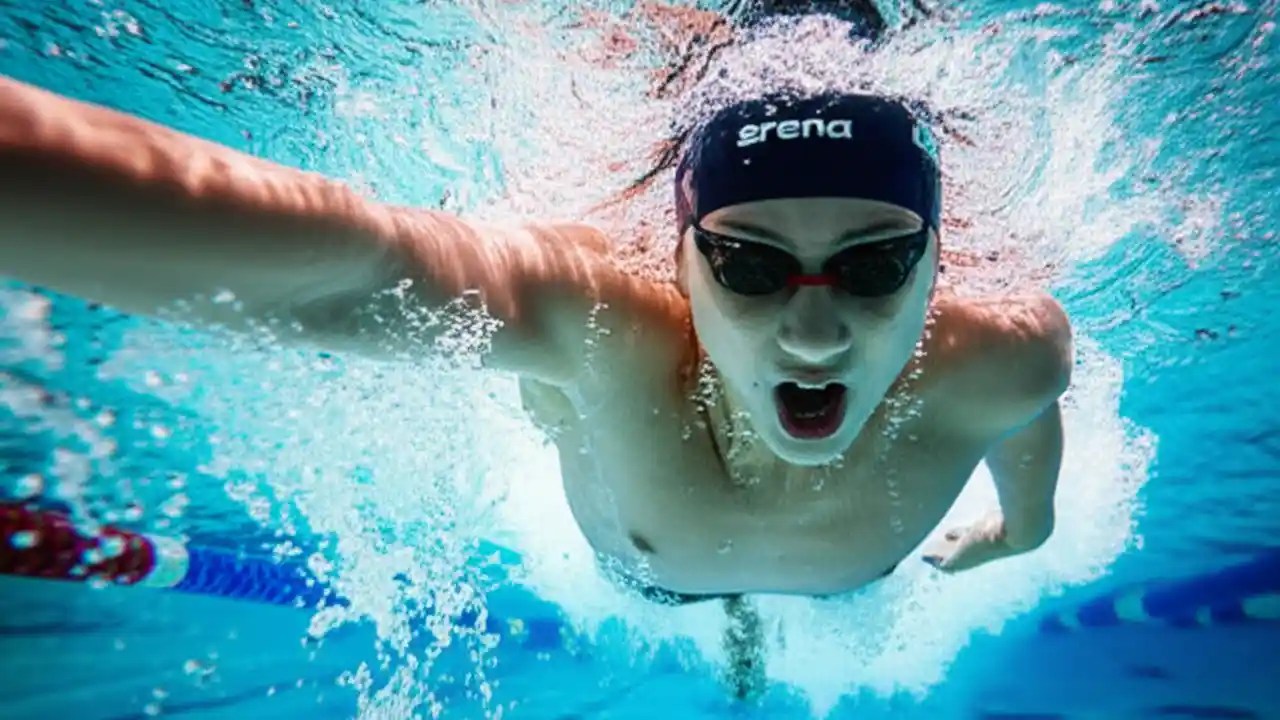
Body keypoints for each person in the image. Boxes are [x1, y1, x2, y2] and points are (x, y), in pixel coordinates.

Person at [0, 0, 1069, 701]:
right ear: (680, 261)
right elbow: (357, 267)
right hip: (657, 582)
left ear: (938, 264)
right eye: (748, 265)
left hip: (821, 581)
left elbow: (1027, 426)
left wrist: (1019, 531)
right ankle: (737, 629)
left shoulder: (1007, 360)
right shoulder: (604, 330)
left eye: (875, 264)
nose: (813, 331)